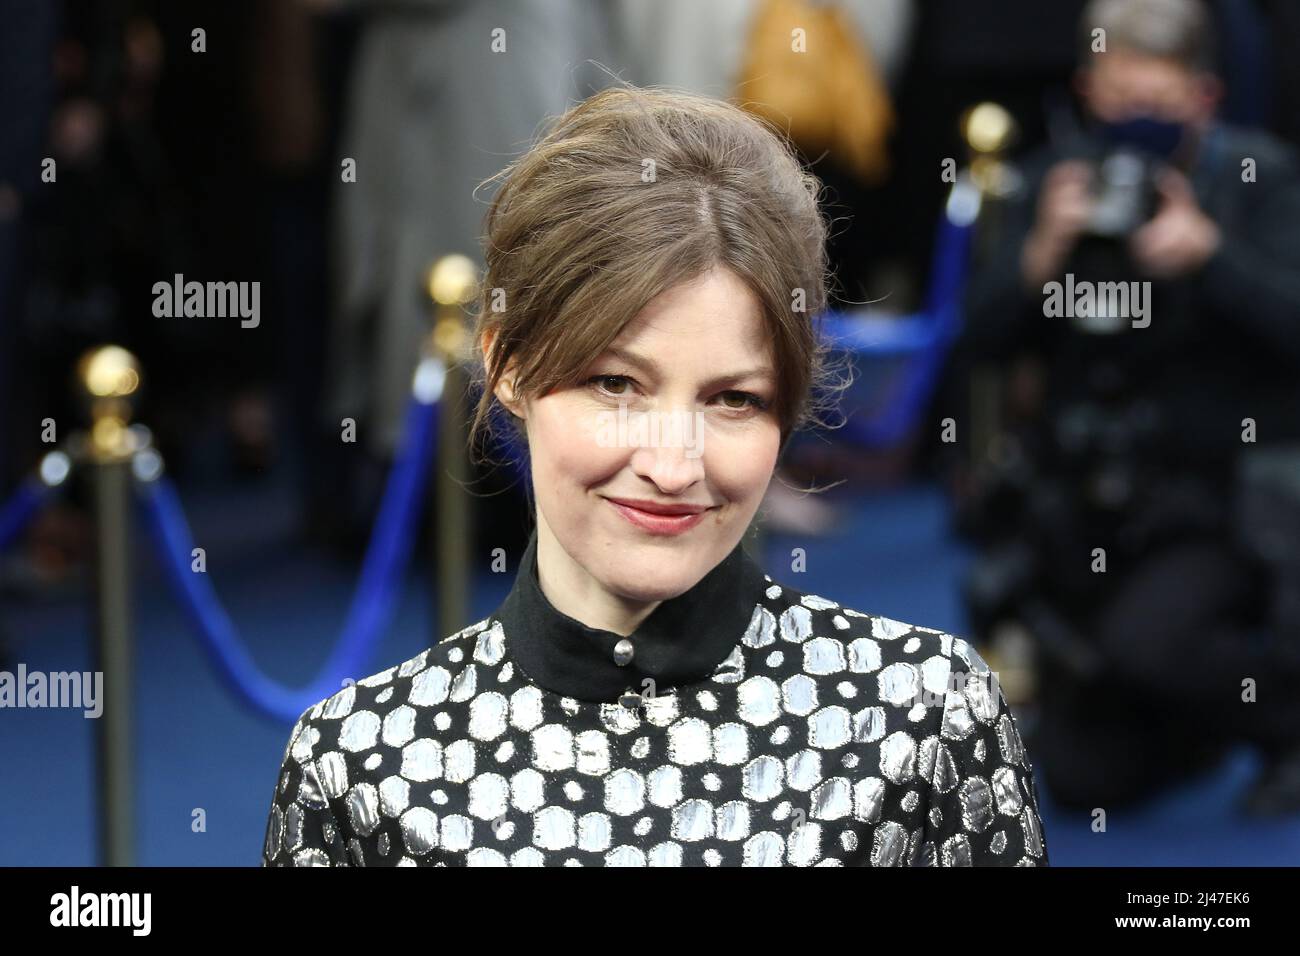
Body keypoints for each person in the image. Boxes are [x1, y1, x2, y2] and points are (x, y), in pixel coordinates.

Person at [261, 84, 1050, 866]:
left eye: (735, 399)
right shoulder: (363, 768)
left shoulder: (922, 720)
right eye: (616, 385)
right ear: (506, 364)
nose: (673, 465)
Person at [960, 0, 1300, 814]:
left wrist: (1212, 259)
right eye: (1117, 105)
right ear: (1086, 90)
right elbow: (975, 350)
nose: (1134, 126)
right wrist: (1036, 260)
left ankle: (1287, 721)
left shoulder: (1256, 178)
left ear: (1205, 97)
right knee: (1082, 777)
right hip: (1080, 503)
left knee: (1150, 646)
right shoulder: (1056, 181)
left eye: (1158, 107)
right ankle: (1197, 723)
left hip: (1216, 500)